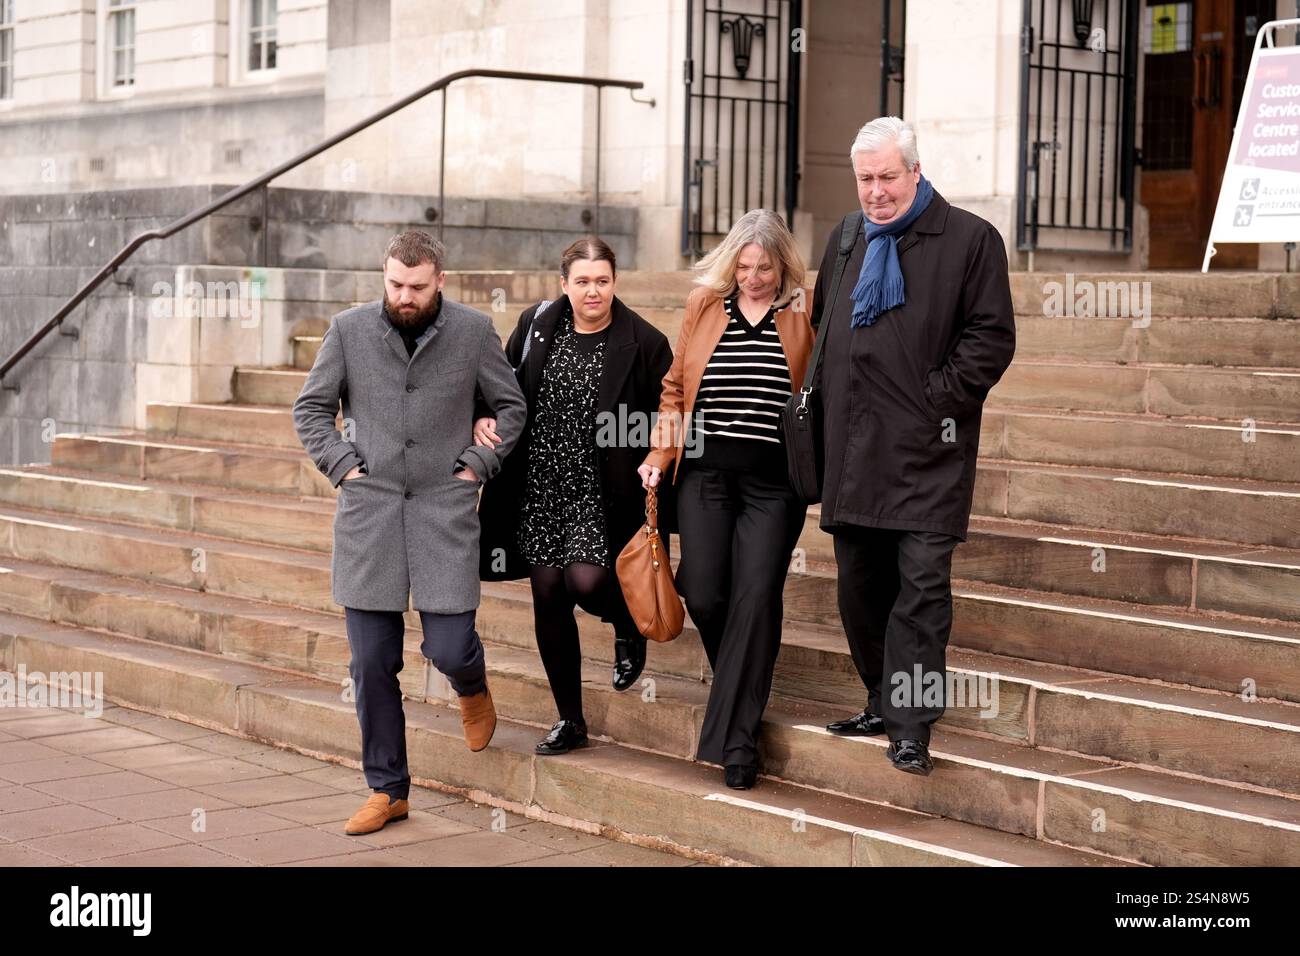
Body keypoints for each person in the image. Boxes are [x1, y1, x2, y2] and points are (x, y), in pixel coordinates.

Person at [292, 230, 527, 835]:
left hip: (442, 510)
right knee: (371, 664)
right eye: (395, 283)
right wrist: (343, 465)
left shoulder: (473, 332)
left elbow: (511, 408)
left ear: (440, 281)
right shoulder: (348, 329)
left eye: (417, 287)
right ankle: (387, 789)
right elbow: (311, 408)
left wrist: (478, 464)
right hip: (369, 514)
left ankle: (472, 688)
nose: (404, 295)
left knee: (449, 646)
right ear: (385, 276)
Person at [815, 117, 1016, 776]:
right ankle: (880, 697)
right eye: (866, 179)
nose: (875, 192)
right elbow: (823, 325)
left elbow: (991, 336)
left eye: (886, 178)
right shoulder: (846, 238)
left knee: (922, 596)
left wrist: (939, 399)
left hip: (931, 453)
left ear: (915, 172)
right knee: (858, 591)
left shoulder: (970, 240)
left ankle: (912, 727)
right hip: (854, 452)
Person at [474, 237, 673, 755]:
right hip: (540, 483)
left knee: (585, 581)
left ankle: (625, 617)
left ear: (615, 282)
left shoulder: (645, 343)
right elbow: (499, 383)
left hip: (601, 489)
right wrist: (483, 414)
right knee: (547, 594)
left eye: (602, 281)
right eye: (582, 281)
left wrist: (657, 461)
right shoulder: (537, 325)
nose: (593, 291)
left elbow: (668, 416)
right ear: (564, 284)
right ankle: (570, 719)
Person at [639, 209, 814, 791]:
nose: (754, 278)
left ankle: (738, 744)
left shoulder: (803, 312)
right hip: (705, 477)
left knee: (756, 594)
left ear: (782, 264)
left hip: (773, 486)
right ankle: (742, 688)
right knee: (707, 592)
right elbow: (673, 389)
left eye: (764, 267)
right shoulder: (704, 306)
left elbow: (817, 393)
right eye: (744, 266)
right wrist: (659, 456)